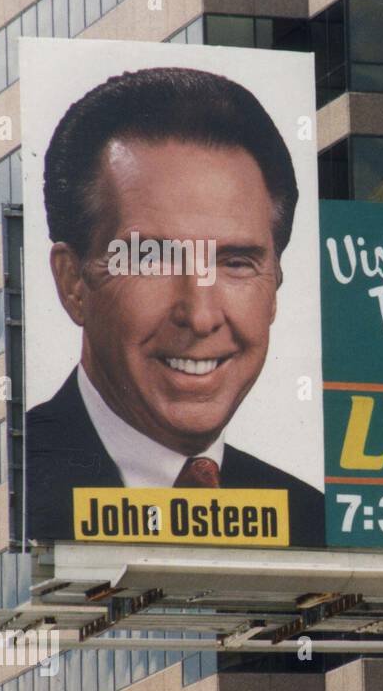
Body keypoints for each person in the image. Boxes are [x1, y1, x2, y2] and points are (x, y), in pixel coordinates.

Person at [26, 66, 324, 547]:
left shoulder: (311, 521)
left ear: (276, 286)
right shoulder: (6, 484)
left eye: (236, 262)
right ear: (73, 282)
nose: (201, 316)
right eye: (151, 259)